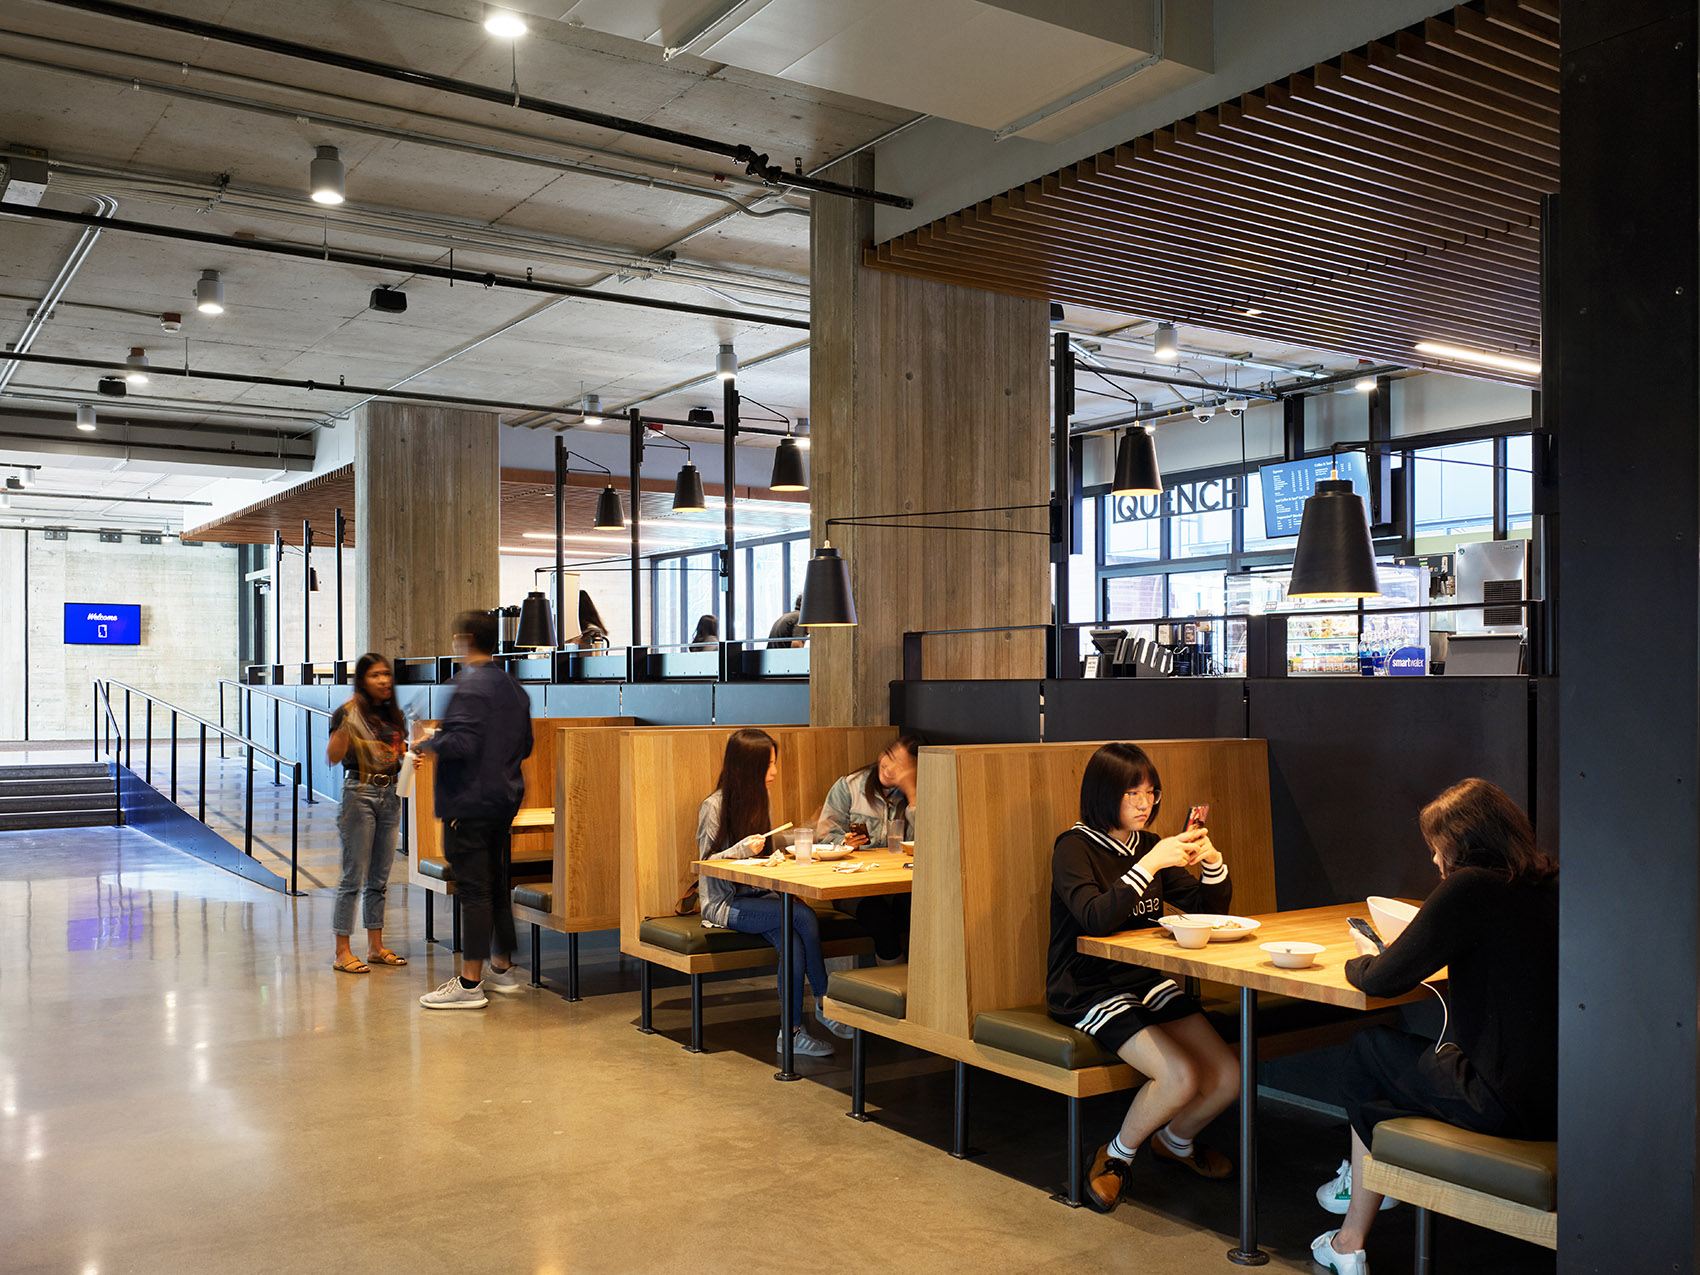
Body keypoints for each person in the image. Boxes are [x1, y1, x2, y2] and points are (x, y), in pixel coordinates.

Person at [1311, 779, 1558, 1275]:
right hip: (1556, 1101)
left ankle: (1352, 1235)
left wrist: (1362, 960)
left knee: (1367, 1052)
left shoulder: (1469, 886)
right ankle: (1375, 1181)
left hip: (1499, 1102)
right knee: (1400, 1059)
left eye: (1436, 846)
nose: (1434, 859)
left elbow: (1382, 980)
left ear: (1461, 841)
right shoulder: (1545, 883)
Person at [1047, 742, 1240, 1212]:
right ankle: (1116, 1156)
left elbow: (1207, 910)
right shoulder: (1074, 847)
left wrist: (1211, 862)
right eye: (1132, 793)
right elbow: (1095, 918)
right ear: (1103, 794)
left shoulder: (1148, 843)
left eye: (1151, 793)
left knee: (1227, 1076)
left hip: (1146, 981)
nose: (1144, 804)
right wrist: (1150, 864)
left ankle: (1174, 1142)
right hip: (1087, 985)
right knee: (1180, 1076)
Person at [697, 729, 849, 1057]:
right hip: (725, 904)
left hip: (760, 898)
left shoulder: (759, 799)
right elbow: (705, 864)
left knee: (792, 943)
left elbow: (766, 847)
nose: (775, 771)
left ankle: (791, 1033)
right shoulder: (714, 806)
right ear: (747, 766)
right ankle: (825, 1003)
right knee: (801, 915)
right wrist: (740, 849)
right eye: (769, 764)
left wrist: (807, 832)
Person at [415, 610, 535, 1010]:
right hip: (504, 800)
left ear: (463, 640)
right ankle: (502, 968)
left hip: (469, 802)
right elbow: (526, 745)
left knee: (474, 889)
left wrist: (428, 742)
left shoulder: (468, 687)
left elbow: (463, 744)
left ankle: (469, 985)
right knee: (496, 883)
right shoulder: (514, 688)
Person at [326, 652, 408, 973]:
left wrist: (410, 758)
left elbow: (399, 754)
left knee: (380, 878)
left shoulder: (394, 715)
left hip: (391, 794)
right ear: (362, 680)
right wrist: (345, 727)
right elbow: (333, 756)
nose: (384, 680)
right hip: (360, 793)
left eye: (386, 674)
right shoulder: (347, 713)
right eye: (375, 675)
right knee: (353, 877)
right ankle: (342, 952)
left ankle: (375, 947)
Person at [814, 734, 924, 964]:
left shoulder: (915, 795)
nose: (890, 768)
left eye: (902, 766)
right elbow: (823, 837)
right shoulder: (849, 786)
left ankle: (913, 979)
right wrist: (844, 844)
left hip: (896, 886)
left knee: (918, 913)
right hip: (852, 887)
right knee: (879, 918)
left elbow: (927, 842)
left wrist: (912, 793)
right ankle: (892, 981)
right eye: (890, 757)